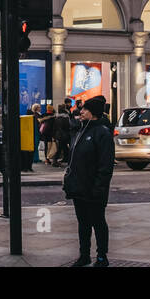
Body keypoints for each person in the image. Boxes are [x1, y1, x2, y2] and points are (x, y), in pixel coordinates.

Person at [63, 95, 113, 267]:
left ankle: (101, 257)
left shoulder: (102, 133)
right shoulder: (80, 131)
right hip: (79, 187)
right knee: (83, 224)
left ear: (94, 113)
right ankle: (84, 255)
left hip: (93, 188)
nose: (81, 111)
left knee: (98, 222)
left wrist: (99, 187)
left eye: (85, 109)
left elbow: (105, 165)